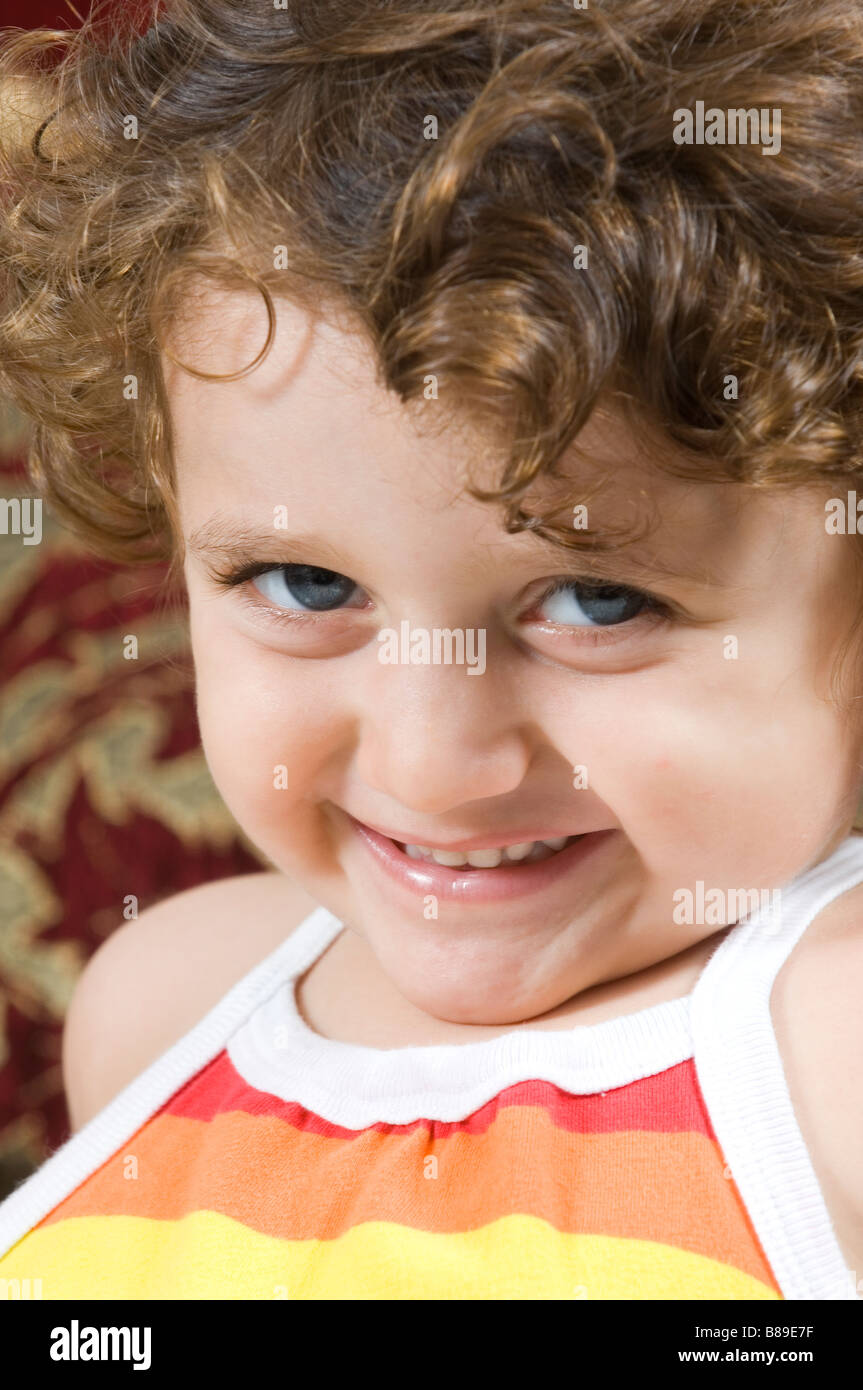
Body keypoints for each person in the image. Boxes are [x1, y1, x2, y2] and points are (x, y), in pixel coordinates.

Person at [0, 0, 861, 1300]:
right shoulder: (163, 1006)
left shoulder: (829, 1045)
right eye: (302, 581)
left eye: (597, 604)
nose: (435, 759)